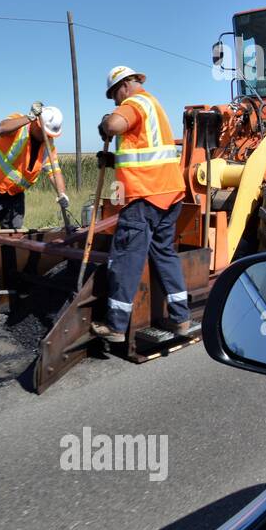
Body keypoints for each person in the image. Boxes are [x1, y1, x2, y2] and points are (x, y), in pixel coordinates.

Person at [89, 66, 190, 342]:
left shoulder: (133, 104)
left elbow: (114, 125)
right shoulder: (153, 104)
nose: (115, 103)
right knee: (164, 253)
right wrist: (112, 161)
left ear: (123, 86)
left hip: (145, 196)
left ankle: (116, 326)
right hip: (170, 194)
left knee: (125, 257)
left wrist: (105, 122)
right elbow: (143, 153)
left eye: (114, 97)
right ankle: (181, 318)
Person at [0, 102, 70, 251]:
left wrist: (62, 193)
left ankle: (8, 269)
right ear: (38, 124)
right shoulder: (19, 123)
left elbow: (55, 172)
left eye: (52, 135)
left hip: (15, 194)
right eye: (47, 133)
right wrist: (29, 117)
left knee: (14, 235)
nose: (49, 138)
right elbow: (2, 128)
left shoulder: (48, 145)